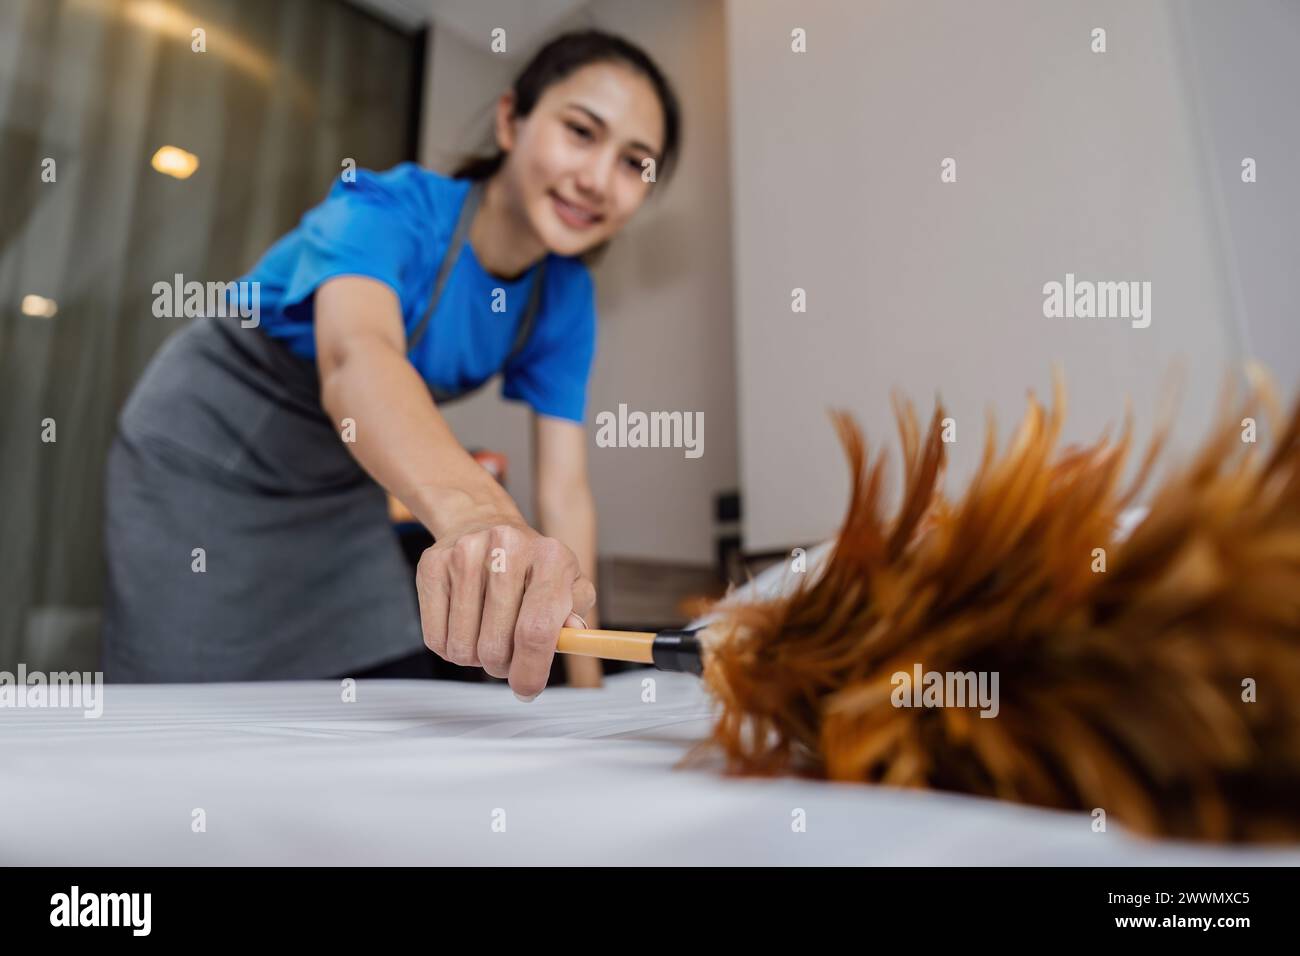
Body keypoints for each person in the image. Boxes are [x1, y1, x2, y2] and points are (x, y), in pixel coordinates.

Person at [101, 29, 682, 701]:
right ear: (509, 121)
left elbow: (565, 491)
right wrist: (476, 519)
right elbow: (358, 357)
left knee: (384, 693)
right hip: (204, 455)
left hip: (336, 481)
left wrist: (588, 693)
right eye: (581, 132)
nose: (597, 179)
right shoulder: (386, 208)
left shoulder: (565, 298)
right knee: (176, 706)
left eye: (634, 163)